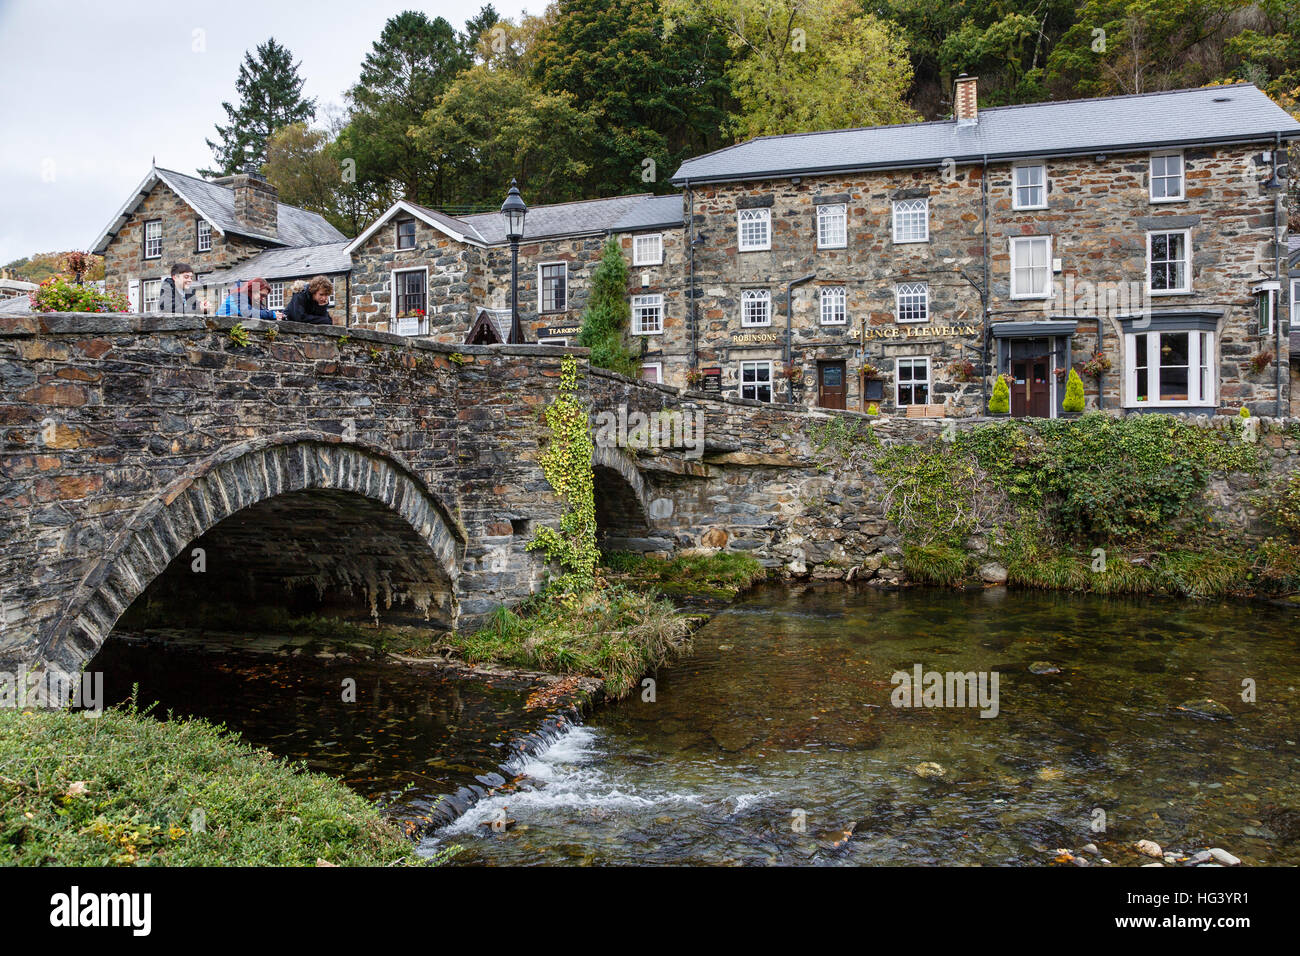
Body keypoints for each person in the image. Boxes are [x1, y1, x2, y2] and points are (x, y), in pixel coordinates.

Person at [216, 278, 283, 319]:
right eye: (261, 295)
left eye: (264, 296)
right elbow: (247, 312)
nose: (263, 299)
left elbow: (261, 312)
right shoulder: (236, 296)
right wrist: (272, 315)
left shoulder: (253, 300)